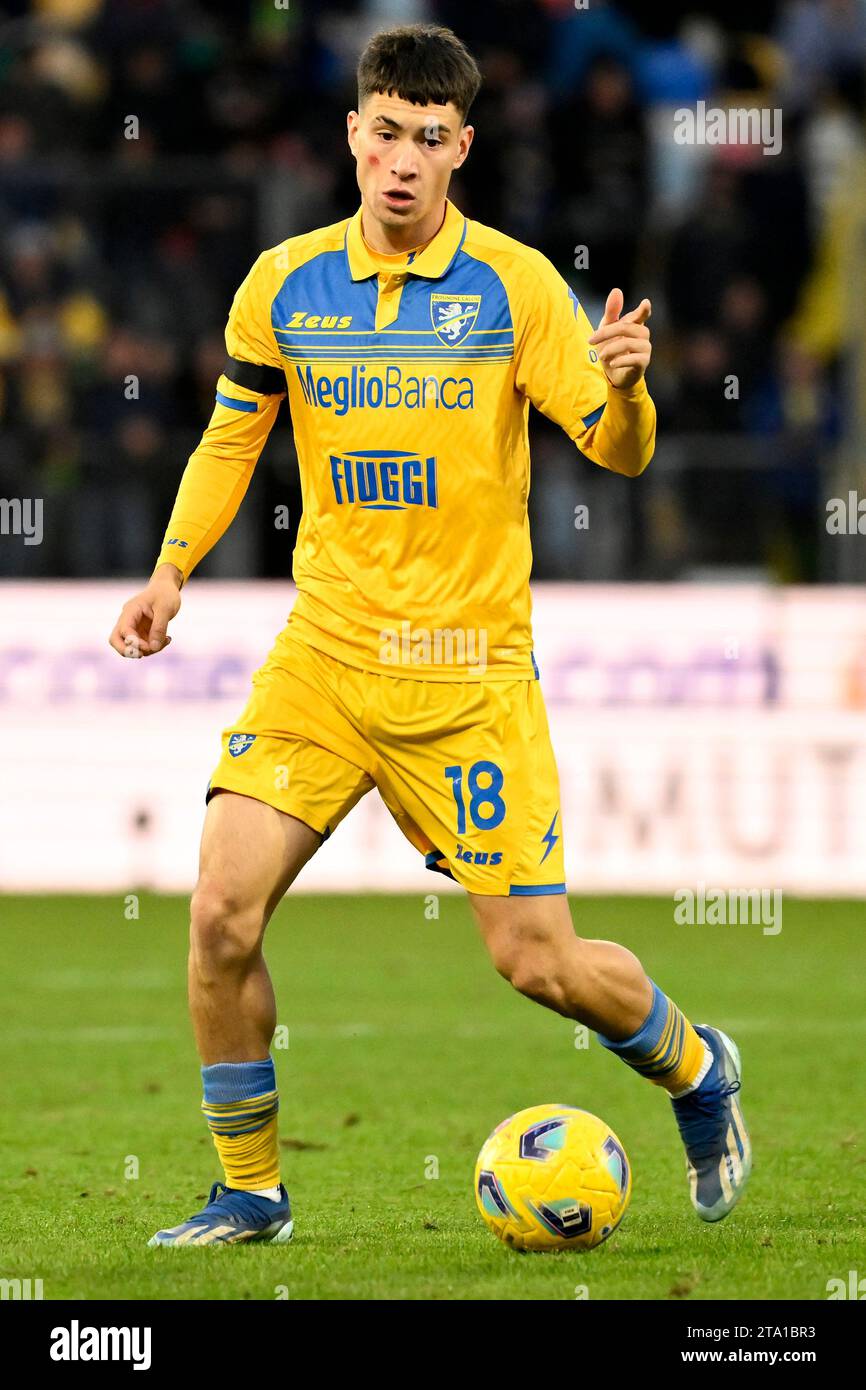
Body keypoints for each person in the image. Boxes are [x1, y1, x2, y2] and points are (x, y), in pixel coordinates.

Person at [109, 23, 749, 1248]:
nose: (402, 158)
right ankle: (252, 1192)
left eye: (429, 138)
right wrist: (169, 569)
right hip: (326, 661)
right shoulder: (283, 282)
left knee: (539, 963)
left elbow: (613, 453)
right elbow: (231, 437)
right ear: (353, 133)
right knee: (217, 916)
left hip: (469, 677)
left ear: (463, 146)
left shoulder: (514, 288)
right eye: (385, 131)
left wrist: (622, 387)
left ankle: (694, 1067)